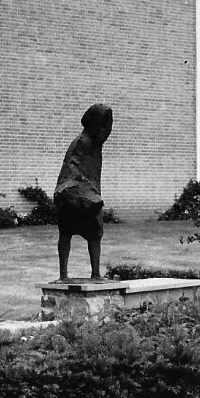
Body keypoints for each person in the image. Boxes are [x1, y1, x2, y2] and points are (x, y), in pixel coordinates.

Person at [54, 103, 113, 281]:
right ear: (93, 123)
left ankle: (95, 273)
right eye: (103, 123)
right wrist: (84, 191)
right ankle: (63, 275)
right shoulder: (82, 142)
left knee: (95, 233)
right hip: (75, 195)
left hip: (90, 192)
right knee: (66, 232)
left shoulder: (95, 142)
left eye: (108, 124)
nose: (106, 130)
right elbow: (71, 167)